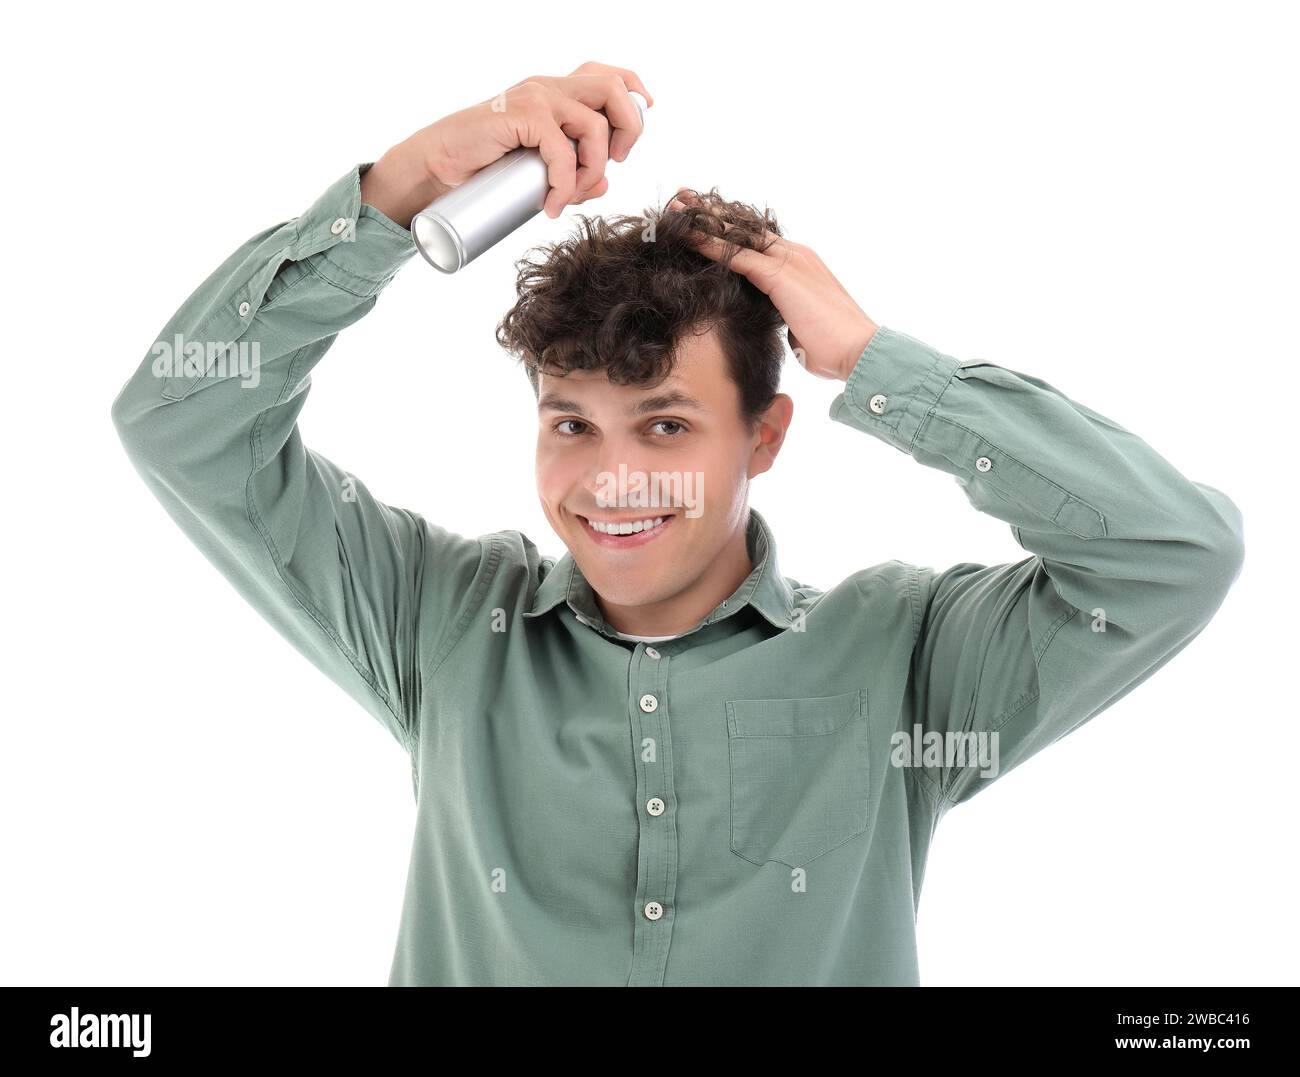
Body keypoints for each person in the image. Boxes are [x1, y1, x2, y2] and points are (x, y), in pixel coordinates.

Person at [111, 61, 1245, 986]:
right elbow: (181, 418)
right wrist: (394, 192)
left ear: (762, 439)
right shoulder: (441, 625)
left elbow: (1172, 554)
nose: (609, 482)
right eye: (571, 426)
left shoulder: (907, 657)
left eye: (662, 429)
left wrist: (876, 364)